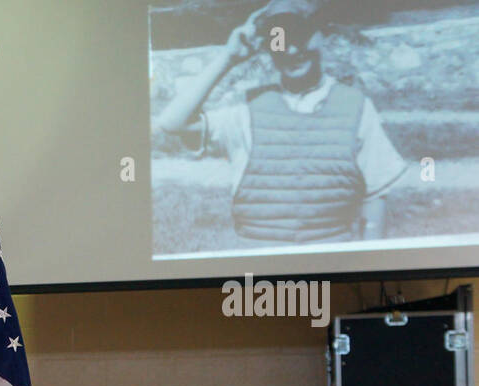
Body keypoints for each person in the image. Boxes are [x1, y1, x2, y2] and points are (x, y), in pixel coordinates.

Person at [155, 0, 407, 243]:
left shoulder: (357, 107)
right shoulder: (246, 110)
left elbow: (375, 198)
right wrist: (228, 57)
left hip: (329, 265)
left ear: (322, 35)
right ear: (267, 46)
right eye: (280, 40)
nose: (292, 50)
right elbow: (172, 123)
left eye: (301, 36)